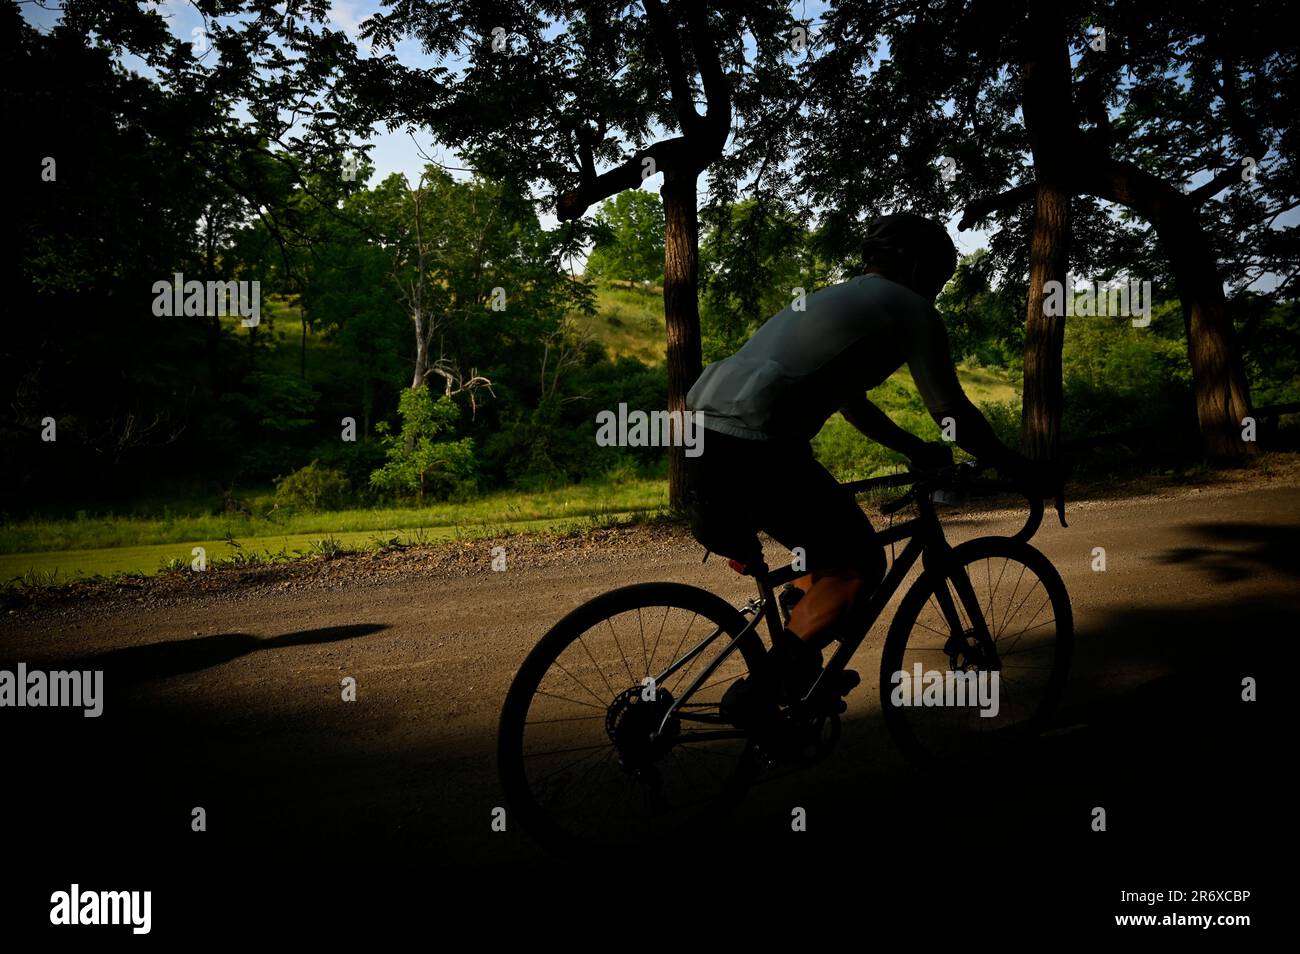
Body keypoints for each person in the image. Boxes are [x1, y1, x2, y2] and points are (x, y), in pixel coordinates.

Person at [683, 212, 1045, 734]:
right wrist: (1017, 467)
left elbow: (853, 405)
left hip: (703, 438)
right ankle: (764, 692)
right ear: (921, 270)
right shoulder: (910, 308)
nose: (935, 294)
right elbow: (952, 412)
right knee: (859, 567)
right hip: (758, 446)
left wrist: (914, 448)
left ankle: (800, 667)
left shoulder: (836, 299)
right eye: (938, 281)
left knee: (821, 557)